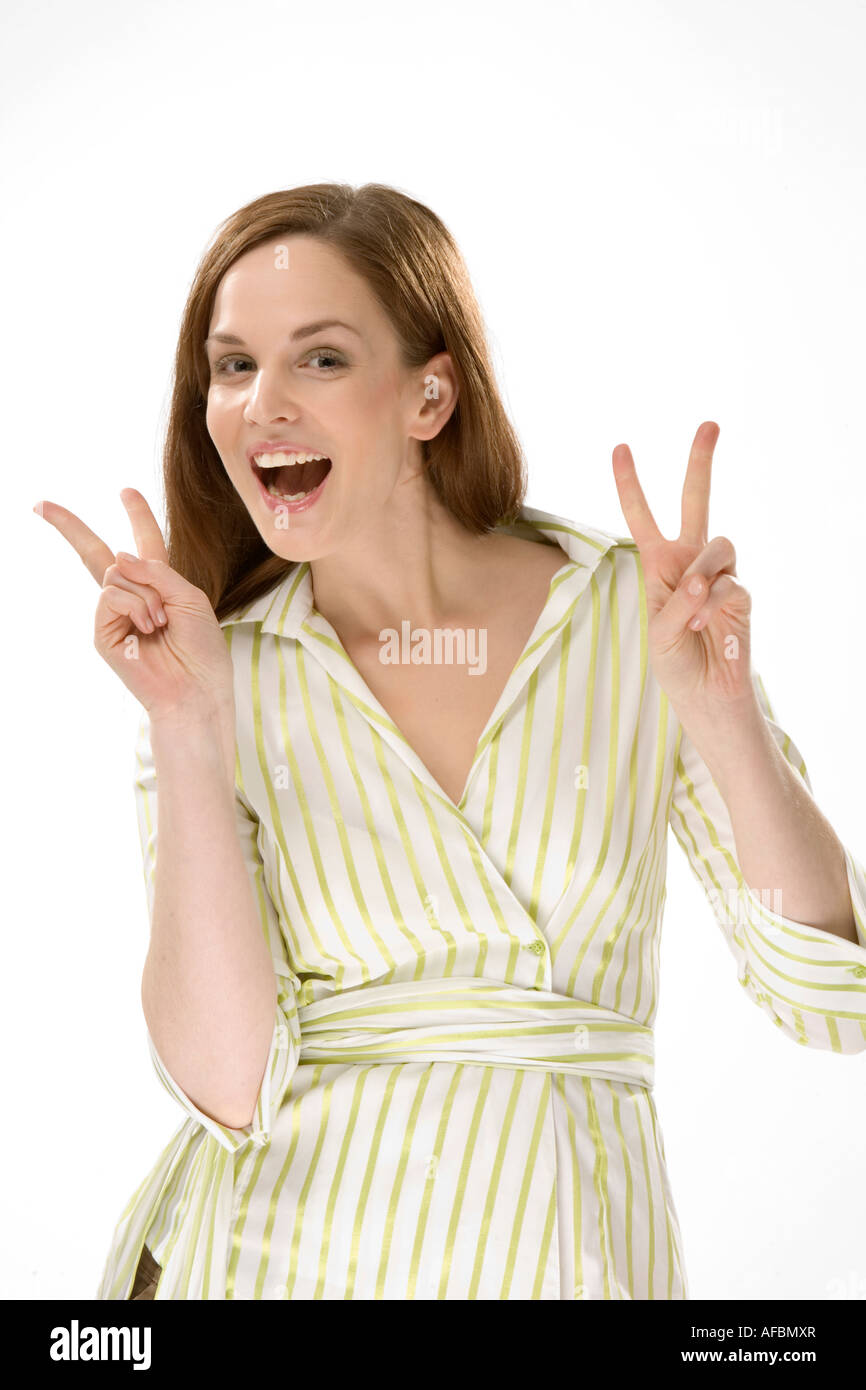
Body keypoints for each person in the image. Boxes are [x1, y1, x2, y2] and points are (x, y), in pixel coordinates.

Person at [35, 182, 866, 1301]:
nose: (261, 404)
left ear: (431, 393)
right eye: (232, 367)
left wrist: (718, 710)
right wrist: (185, 726)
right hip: (263, 1266)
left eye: (318, 359)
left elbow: (829, 1001)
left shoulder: (630, 617)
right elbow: (225, 1087)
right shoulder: (216, 677)